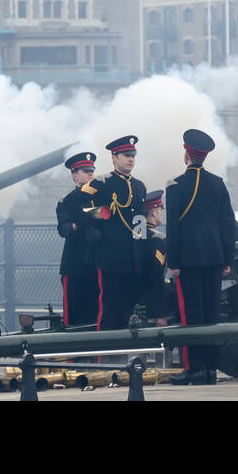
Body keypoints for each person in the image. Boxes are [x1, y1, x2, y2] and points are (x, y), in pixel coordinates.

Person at [165, 128, 237, 385]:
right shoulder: (217, 184)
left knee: (191, 316)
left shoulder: (175, 186)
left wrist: (173, 263)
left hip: (187, 260)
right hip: (215, 258)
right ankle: (210, 369)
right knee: (211, 314)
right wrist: (227, 259)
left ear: (186, 154)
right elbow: (227, 224)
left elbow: (173, 228)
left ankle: (193, 369)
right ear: (204, 156)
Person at [93, 135, 147, 330]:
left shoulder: (139, 186)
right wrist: (98, 230)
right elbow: (84, 211)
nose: (131, 159)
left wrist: (142, 252)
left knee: (128, 311)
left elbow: (140, 223)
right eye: (126, 155)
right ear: (114, 157)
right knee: (109, 310)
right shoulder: (102, 183)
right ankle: (104, 349)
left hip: (132, 260)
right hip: (111, 258)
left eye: (133, 155)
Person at [55, 151, 100, 327]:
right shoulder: (66, 201)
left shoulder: (100, 199)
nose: (90, 174)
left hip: (98, 262)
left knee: (98, 313)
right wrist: (83, 220)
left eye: (92, 171)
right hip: (76, 264)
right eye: (85, 171)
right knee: (74, 315)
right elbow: (64, 228)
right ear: (74, 175)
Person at [139, 190, 170, 327]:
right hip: (152, 306)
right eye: (160, 210)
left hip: (139, 300)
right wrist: (160, 313)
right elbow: (156, 278)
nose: (162, 214)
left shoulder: (138, 235)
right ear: (153, 212)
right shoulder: (157, 239)